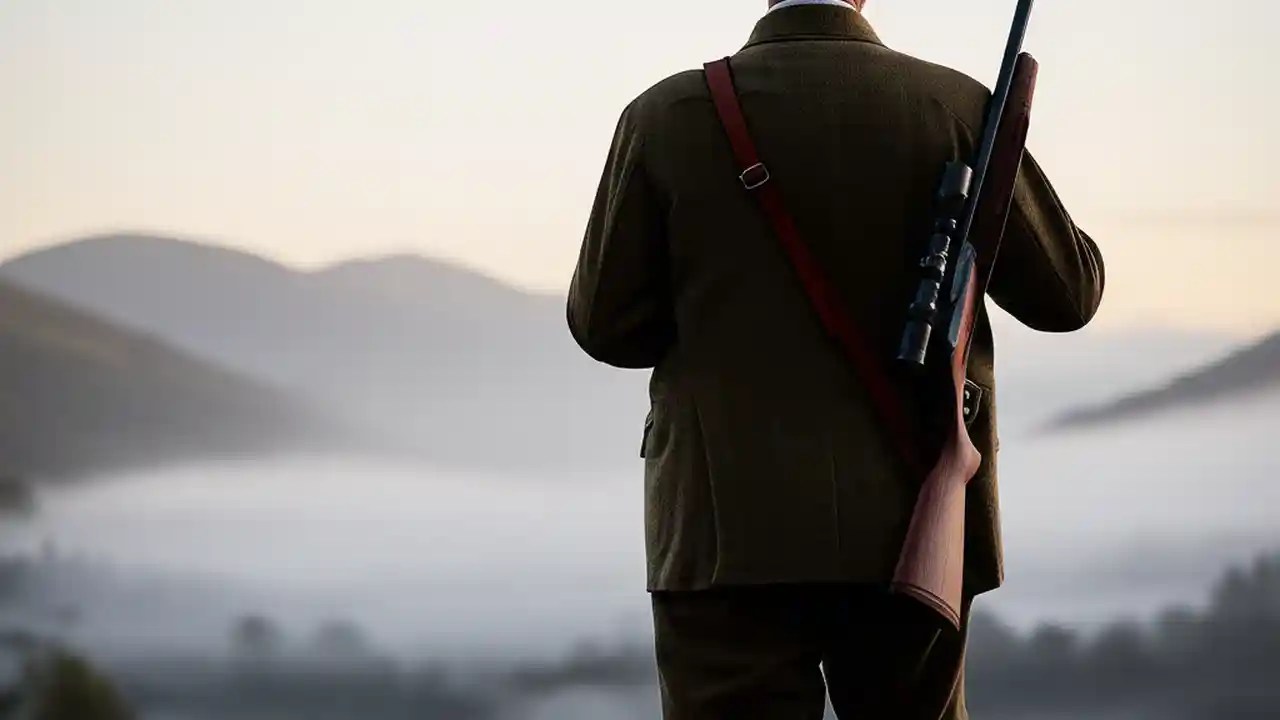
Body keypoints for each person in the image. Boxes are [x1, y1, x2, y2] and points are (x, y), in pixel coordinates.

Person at [566, 0, 1105, 718]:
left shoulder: (663, 117)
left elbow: (605, 326)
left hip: (723, 537)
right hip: (914, 523)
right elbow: (1069, 295)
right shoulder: (958, 106)